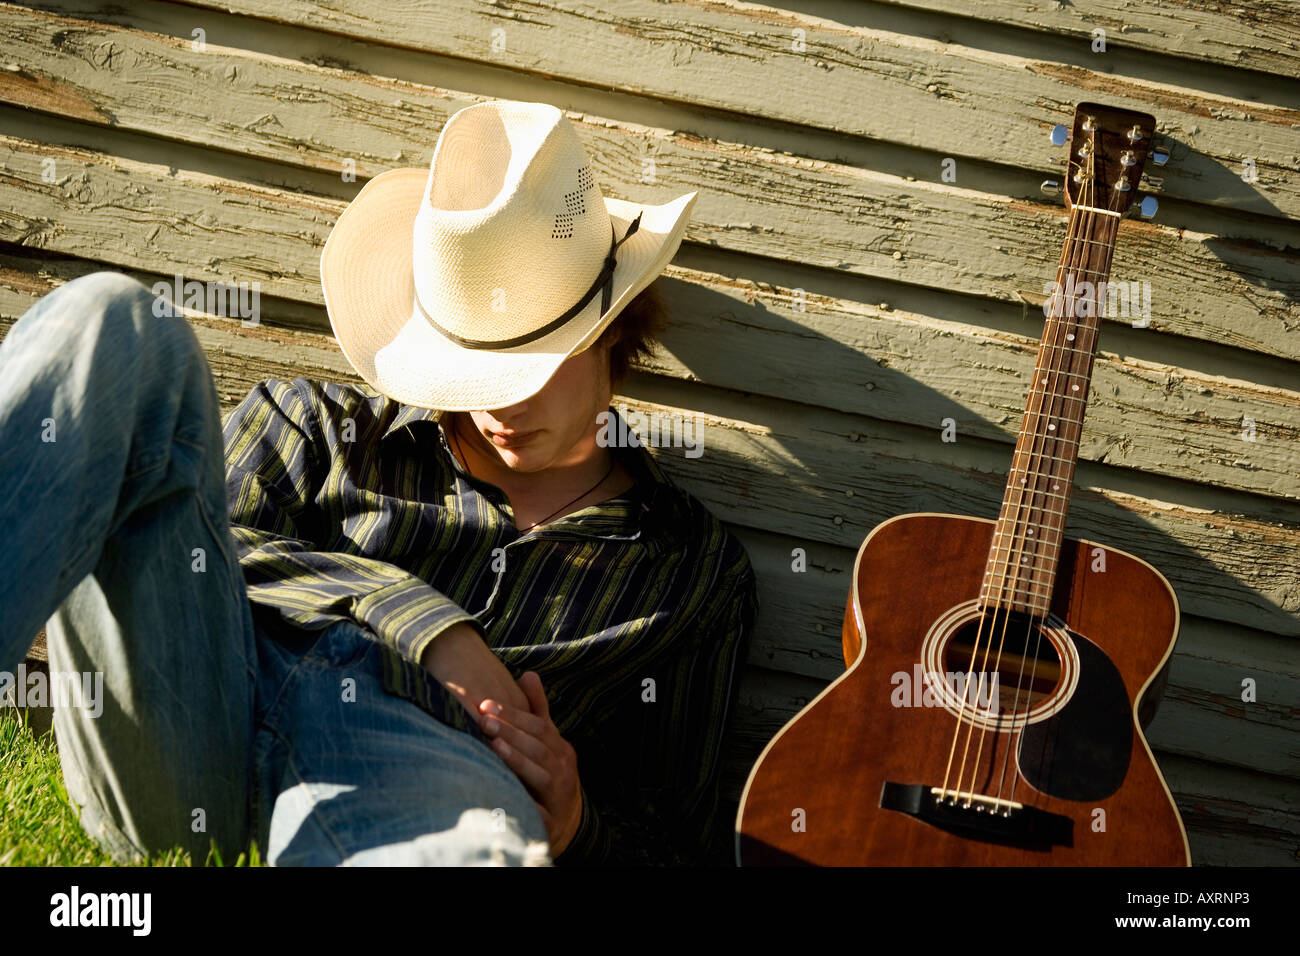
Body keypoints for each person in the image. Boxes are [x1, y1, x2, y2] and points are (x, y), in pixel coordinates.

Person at [0, 99, 757, 866]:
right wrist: (432, 633)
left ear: (616, 329)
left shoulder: (685, 570)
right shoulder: (314, 430)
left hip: (423, 797)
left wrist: (574, 822)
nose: (499, 403)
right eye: (474, 362)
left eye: (532, 363)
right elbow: (186, 546)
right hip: (194, 730)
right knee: (114, 321)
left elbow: (670, 841)